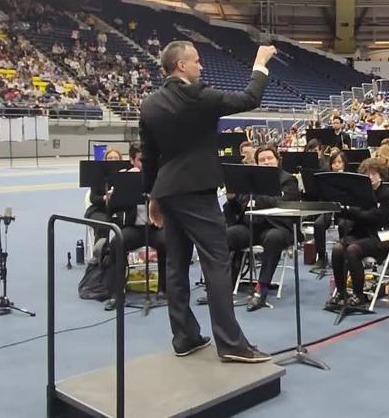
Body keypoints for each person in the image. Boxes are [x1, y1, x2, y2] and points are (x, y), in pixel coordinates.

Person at [139, 40, 277, 362]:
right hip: (198, 192)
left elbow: (149, 156)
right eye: (197, 61)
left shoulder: (150, 104)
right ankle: (231, 344)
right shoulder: (198, 95)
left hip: (169, 192)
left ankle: (184, 337)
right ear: (181, 66)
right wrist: (260, 62)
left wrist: (153, 195)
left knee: (176, 267)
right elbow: (250, 98)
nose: (201, 66)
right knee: (216, 262)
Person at [223, 145, 299, 311]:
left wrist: (256, 200)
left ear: (277, 160)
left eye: (269, 158)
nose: (266, 162)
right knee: (227, 236)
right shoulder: (250, 180)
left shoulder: (288, 180)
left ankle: (261, 290)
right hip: (252, 226)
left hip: (279, 227)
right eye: (262, 160)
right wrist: (232, 199)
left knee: (273, 238)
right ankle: (222, 288)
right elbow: (241, 207)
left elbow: (281, 204)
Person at [103, 144, 167, 311]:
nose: (144, 164)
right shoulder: (124, 178)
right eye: (140, 160)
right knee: (117, 243)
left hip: (156, 228)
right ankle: (116, 293)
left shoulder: (161, 177)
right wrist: (114, 197)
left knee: (167, 241)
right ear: (132, 161)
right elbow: (111, 211)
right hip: (135, 228)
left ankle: (164, 289)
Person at [326, 158, 389, 309]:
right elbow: (353, 214)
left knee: (352, 250)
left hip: (379, 236)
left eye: (373, 174)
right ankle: (341, 291)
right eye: (366, 174)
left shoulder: (386, 194)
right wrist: (353, 212)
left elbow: (375, 217)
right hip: (360, 233)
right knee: (338, 249)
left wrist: (354, 212)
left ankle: (358, 294)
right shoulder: (359, 193)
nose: (370, 177)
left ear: (381, 175)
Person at [310, 150, 348, 271]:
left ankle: (342, 256)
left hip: (345, 211)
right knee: (318, 224)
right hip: (330, 208)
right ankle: (322, 257)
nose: (337, 165)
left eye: (339, 162)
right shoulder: (326, 178)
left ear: (344, 164)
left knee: (343, 225)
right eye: (334, 163)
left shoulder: (350, 178)